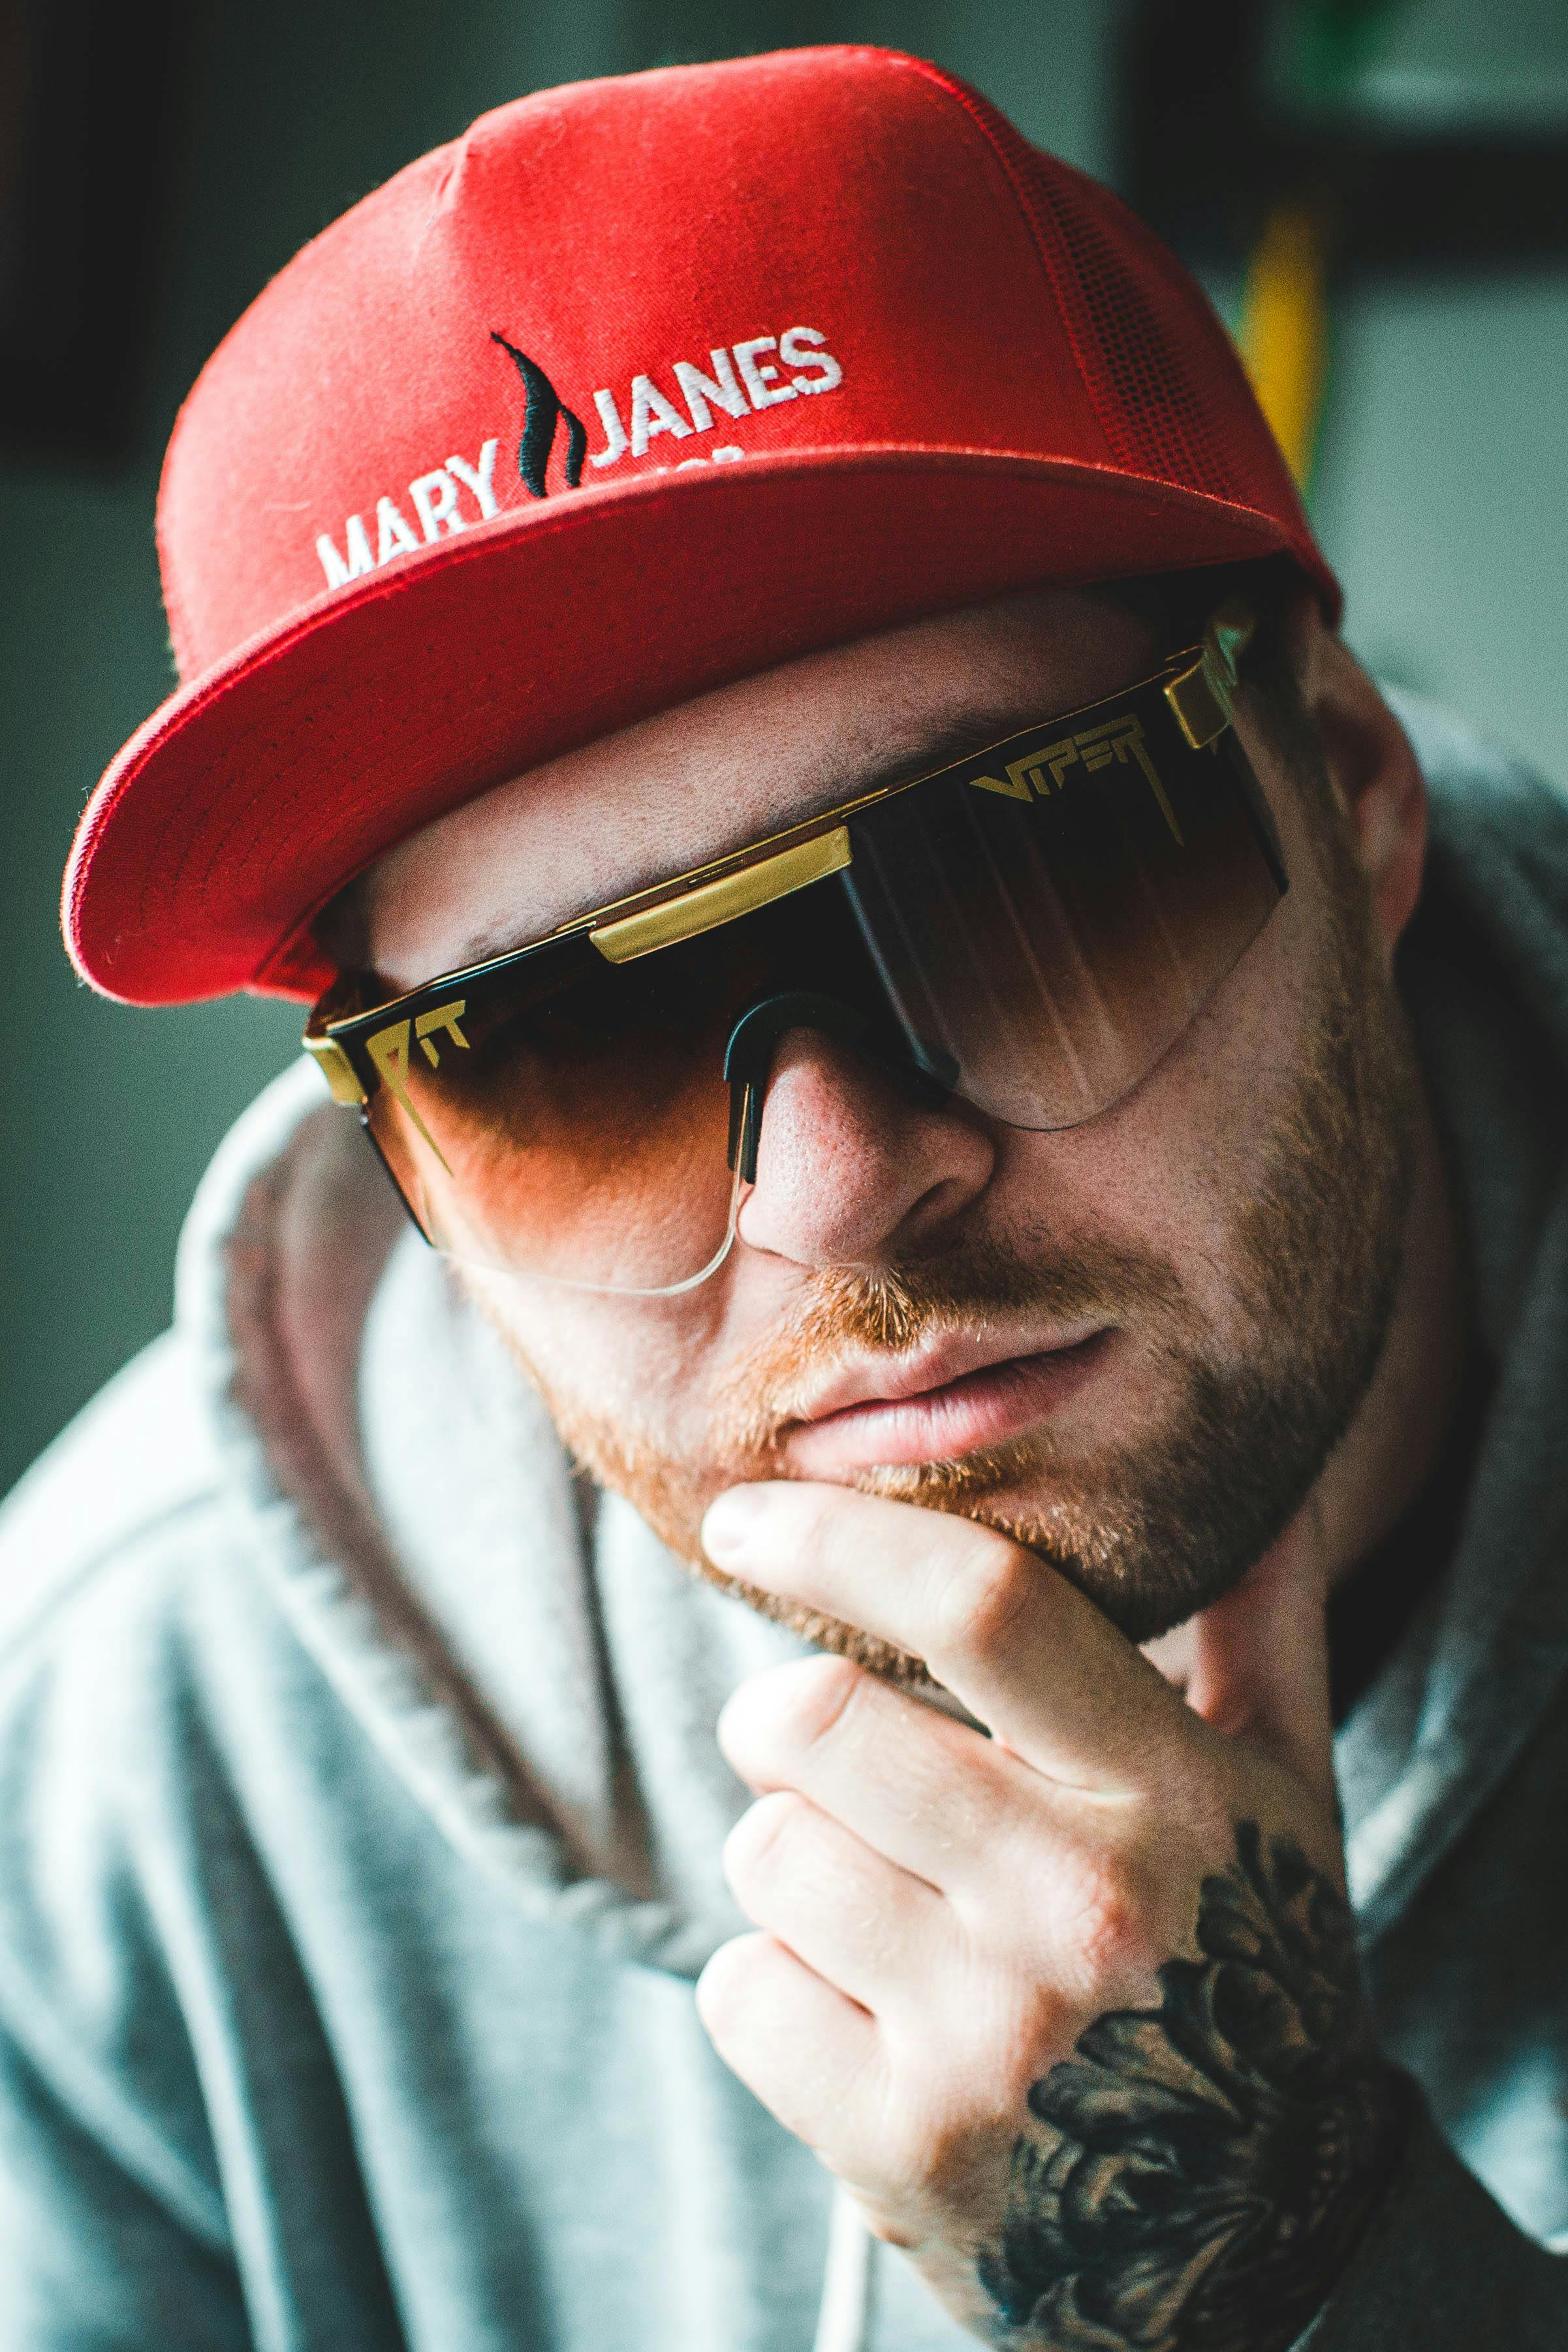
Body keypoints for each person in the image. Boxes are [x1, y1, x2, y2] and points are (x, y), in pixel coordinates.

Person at [4, 40, 1565, 2351]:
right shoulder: (120, 1755)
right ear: (402, 1162)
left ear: (1339, 792)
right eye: (552, 1055)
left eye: (1019, 872)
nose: (841, 1191)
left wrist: (1315, 2291)